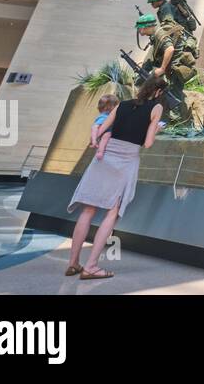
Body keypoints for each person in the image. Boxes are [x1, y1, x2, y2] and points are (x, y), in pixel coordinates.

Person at [66, 75, 166, 279]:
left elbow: (102, 129)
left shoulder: (122, 105)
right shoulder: (156, 108)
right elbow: (147, 143)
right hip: (126, 160)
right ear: (158, 92)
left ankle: (73, 263)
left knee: (88, 210)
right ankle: (91, 266)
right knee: (112, 212)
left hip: (104, 158)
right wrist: (156, 128)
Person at [136, 12, 195, 122]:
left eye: (141, 29)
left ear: (147, 27)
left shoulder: (159, 33)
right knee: (170, 92)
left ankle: (177, 122)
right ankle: (173, 119)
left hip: (176, 68)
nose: (140, 31)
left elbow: (170, 49)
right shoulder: (157, 33)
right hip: (173, 67)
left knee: (174, 93)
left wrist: (162, 68)